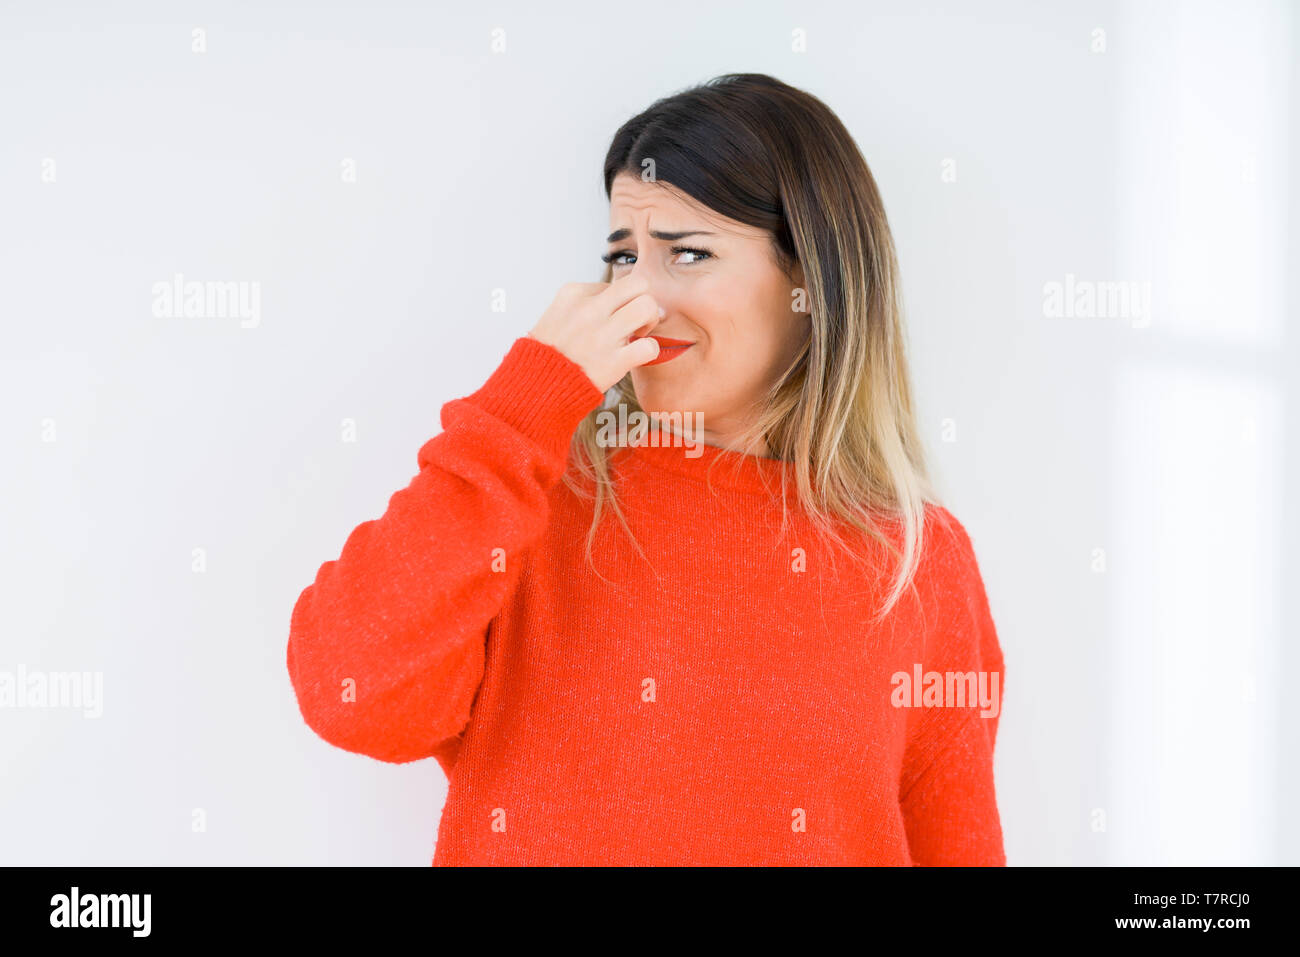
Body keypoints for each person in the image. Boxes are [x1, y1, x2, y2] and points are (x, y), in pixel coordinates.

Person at [287, 72, 1006, 866]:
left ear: (810, 281)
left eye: (688, 253)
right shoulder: (534, 500)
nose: (639, 299)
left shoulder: (920, 559)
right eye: (622, 257)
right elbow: (350, 690)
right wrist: (521, 411)